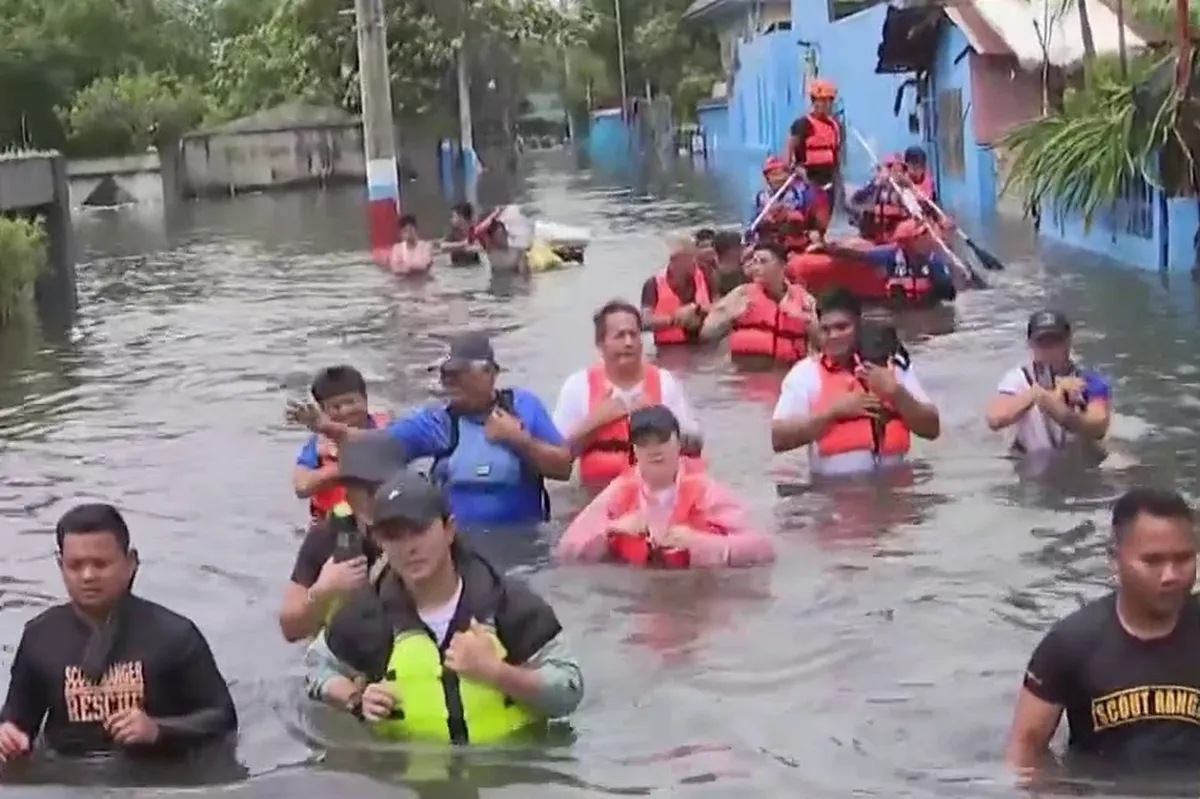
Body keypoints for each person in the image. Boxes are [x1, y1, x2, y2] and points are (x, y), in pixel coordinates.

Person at [315, 471, 584, 743]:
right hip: (412, 776)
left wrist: (497, 673)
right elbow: (316, 668)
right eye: (394, 535)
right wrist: (356, 700)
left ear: (449, 530)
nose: (409, 547)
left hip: (509, 774)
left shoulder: (507, 603)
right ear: (379, 542)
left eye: (419, 530)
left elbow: (569, 692)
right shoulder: (366, 616)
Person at [0, 504, 237, 763]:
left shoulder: (175, 635)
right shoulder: (39, 636)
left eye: (101, 564)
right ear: (61, 565)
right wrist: (9, 736)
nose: (88, 576)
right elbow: (17, 720)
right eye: (75, 565)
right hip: (68, 774)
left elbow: (222, 718)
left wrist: (159, 730)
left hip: (155, 773)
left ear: (130, 563)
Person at [1004, 488, 1200, 776]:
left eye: (1183, 559)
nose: (1170, 575)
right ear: (1114, 558)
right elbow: (1023, 756)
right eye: (1153, 561)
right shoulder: (1069, 644)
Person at [289, 334, 570, 528]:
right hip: (462, 548)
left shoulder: (524, 406)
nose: (447, 383)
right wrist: (326, 427)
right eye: (443, 375)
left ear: (489, 372)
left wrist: (518, 440)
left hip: (526, 544)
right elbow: (378, 443)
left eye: (456, 374)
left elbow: (564, 468)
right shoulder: (437, 423)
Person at [556, 405, 776, 568]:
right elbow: (567, 550)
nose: (654, 449)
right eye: (644, 442)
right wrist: (613, 528)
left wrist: (700, 542)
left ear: (678, 443)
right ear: (633, 450)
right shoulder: (620, 491)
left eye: (662, 439)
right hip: (638, 592)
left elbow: (763, 549)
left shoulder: (706, 491)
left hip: (697, 590)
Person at [770, 289, 941, 476]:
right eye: (826, 329)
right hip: (833, 493)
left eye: (842, 327)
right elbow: (779, 439)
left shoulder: (892, 366)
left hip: (894, 491)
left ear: (859, 326)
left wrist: (896, 393)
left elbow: (932, 429)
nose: (833, 336)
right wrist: (833, 413)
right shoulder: (805, 374)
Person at [553, 300, 703, 488]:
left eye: (633, 334)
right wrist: (596, 421)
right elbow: (556, 458)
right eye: (620, 336)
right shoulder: (578, 386)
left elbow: (695, 447)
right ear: (601, 344)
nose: (628, 342)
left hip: (652, 494)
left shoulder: (665, 381)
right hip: (596, 497)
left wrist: (659, 418)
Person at [279, 434, 405, 642]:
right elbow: (290, 630)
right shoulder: (326, 536)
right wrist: (323, 590)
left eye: (380, 487)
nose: (374, 498)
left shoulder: (419, 529)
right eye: (363, 489)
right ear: (348, 493)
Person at [986, 310, 1111, 456]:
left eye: (1055, 342)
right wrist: (1037, 394)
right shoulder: (1017, 379)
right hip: (1030, 460)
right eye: (1041, 343)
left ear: (1068, 342)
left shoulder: (1088, 381)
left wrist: (1059, 405)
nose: (1048, 349)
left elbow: (1098, 426)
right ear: (1031, 344)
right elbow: (995, 419)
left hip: (1076, 462)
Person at [292, 365, 388, 525]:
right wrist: (342, 471)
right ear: (322, 411)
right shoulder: (318, 444)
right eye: (335, 407)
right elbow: (301, 487)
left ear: (365, 399)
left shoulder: (391, 431)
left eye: (351, 402)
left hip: (382, 520)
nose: (345, 411)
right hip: (332, 524)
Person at [700, 242, 818, 367]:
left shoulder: (804, 298)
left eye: (763, 261)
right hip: (744, 375)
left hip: (785, 373)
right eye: (755, 262)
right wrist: (727, 317)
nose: (756, 267)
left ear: (782, 265)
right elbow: (706, 333)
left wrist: (804, 319)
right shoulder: (741, 294)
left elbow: (823, 342)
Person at [787, 78, 843, 233]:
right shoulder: (802, 124)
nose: (826, 105)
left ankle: (820, 241)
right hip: (808, 179)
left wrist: (837, 179)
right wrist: (795, 168)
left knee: (826, 218)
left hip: (828, 179)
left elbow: (836, 153)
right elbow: (791, 149)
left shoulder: (834, 125)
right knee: (815, 218)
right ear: (814, 102)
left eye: (829, 101)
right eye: (822, 101)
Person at [641, 236, 715, 348]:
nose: (694, 261)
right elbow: (644, 322)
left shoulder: (705, 275)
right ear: (674, 259)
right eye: (690, 257)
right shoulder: (653, 284)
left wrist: (699, 310)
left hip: (704, 347)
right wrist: (675, 319)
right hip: (669, 349)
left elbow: (720, 305)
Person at [751, 156, 813, 252]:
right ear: (767, 178)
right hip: (768, 241)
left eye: (782, 174)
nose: (778, 179)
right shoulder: (760, 197)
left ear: (788, 175)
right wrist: (765, 219)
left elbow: (805, 219)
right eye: (774, 175)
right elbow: (754, 222)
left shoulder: (800, 194)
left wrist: (787, 214)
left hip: (791, 240)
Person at [710, 231, 749, 298]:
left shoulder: (745, 267)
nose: (743, 247)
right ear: (731, 251)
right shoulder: (716, 277)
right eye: (739, 245)